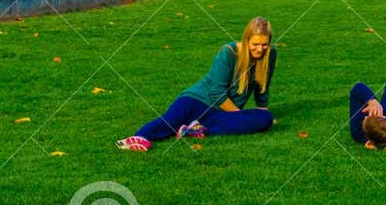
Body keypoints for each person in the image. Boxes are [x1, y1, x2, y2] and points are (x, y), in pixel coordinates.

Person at [117, 17, 277, 150]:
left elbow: (262, 87)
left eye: (264, 44)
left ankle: (196, 130)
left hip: (220, 114)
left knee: (265, 118)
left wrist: (262, 110)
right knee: (170, 120)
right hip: (196, 100)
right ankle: (139, 137)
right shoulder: (229, 53)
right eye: (255, 44)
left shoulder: (270, 54)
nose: (260, 49)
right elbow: (216, 92)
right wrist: (238, 116)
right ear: (246, 39)